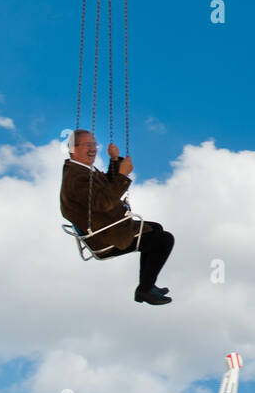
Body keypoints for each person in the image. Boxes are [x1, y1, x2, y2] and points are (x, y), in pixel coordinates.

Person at [60, 129, 174, 306]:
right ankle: (144, 290)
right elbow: (105, 202)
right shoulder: (77, 178)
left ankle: (147, 285)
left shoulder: (80, 169)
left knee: (156, 228)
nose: (93, 149)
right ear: (73, 149)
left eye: (94, 144)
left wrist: (114, 160)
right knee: (164, 240)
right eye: (87, 145)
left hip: (106, 226)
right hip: (105, 238)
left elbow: (106, 185)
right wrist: (122, 175)